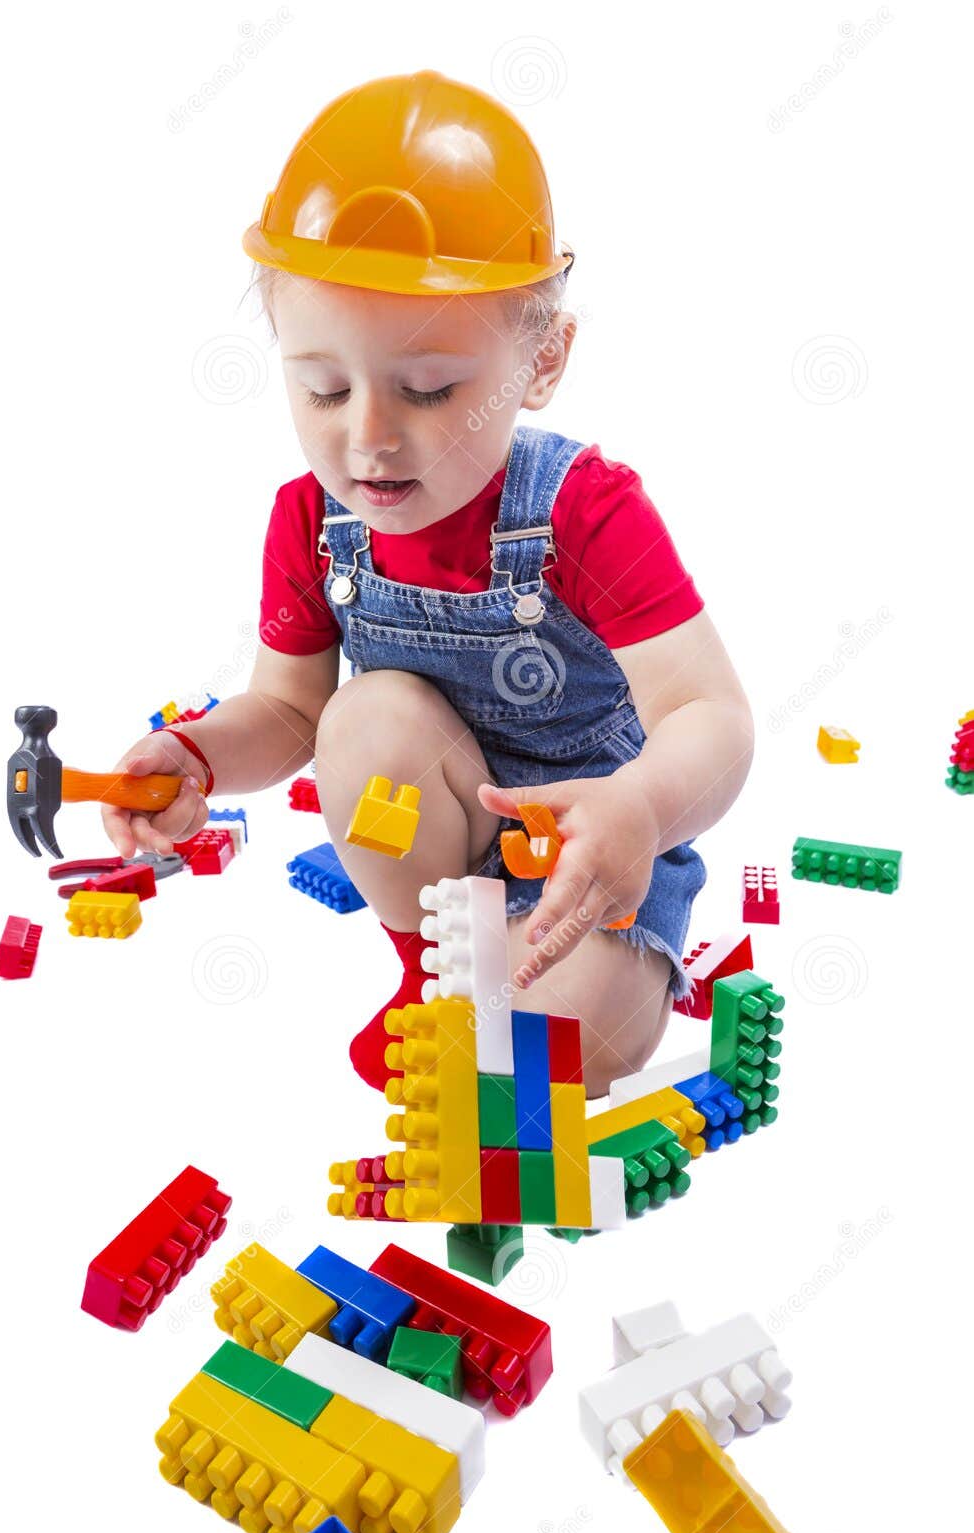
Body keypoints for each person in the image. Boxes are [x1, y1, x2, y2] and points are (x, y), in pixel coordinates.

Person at [103, 70, 753, 1097]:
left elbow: (709, 715)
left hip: (591, 877)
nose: (367, 436)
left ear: (541, 361)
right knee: (362, 719)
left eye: (429, 389)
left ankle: (517, 997)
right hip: (445, 855)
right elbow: (288, 713)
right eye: (324, 388)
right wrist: (195, 757)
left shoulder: (584, 510)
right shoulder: (314, 525)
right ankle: (430, 970)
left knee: (552, 1044)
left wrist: (639, 806)